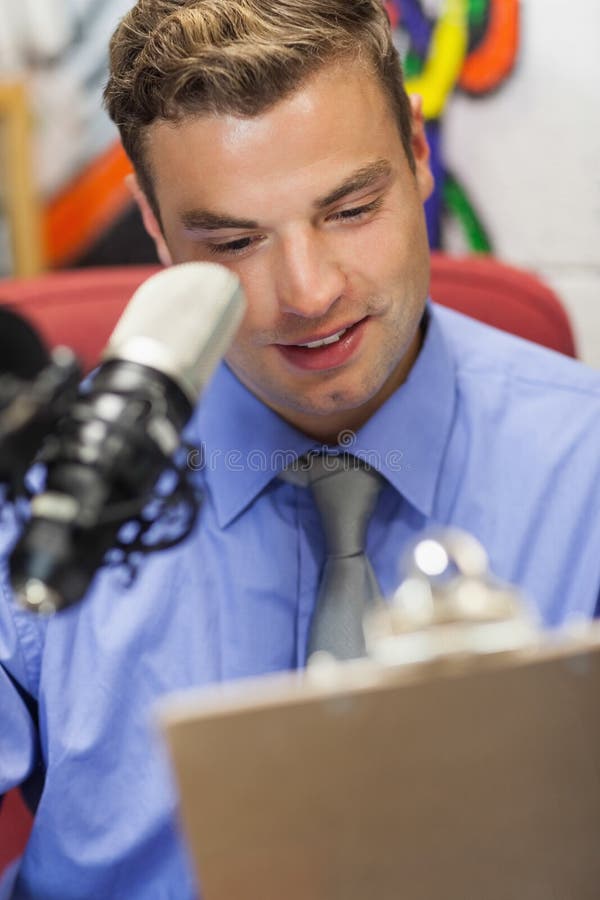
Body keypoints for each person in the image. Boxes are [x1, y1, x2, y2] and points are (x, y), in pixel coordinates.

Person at [1, 0, 599, 896]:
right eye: (235, 240)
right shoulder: (44, 482)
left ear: (418, 154)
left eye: (352, 209)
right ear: (156, 229)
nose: (309, 293)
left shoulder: (583, 463)